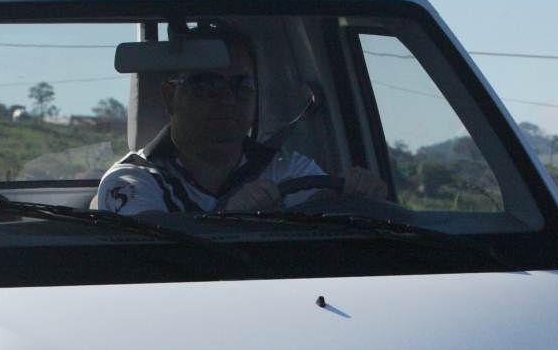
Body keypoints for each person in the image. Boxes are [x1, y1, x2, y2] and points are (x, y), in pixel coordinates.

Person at [94, 28, 386, 216]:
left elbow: (328, 224)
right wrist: (228, 218)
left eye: (241, 84)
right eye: (208, 85)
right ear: (171, 97)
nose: (228, 99)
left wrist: (358, 199)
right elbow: (152, 258)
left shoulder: (288, 169)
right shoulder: (132, 181)